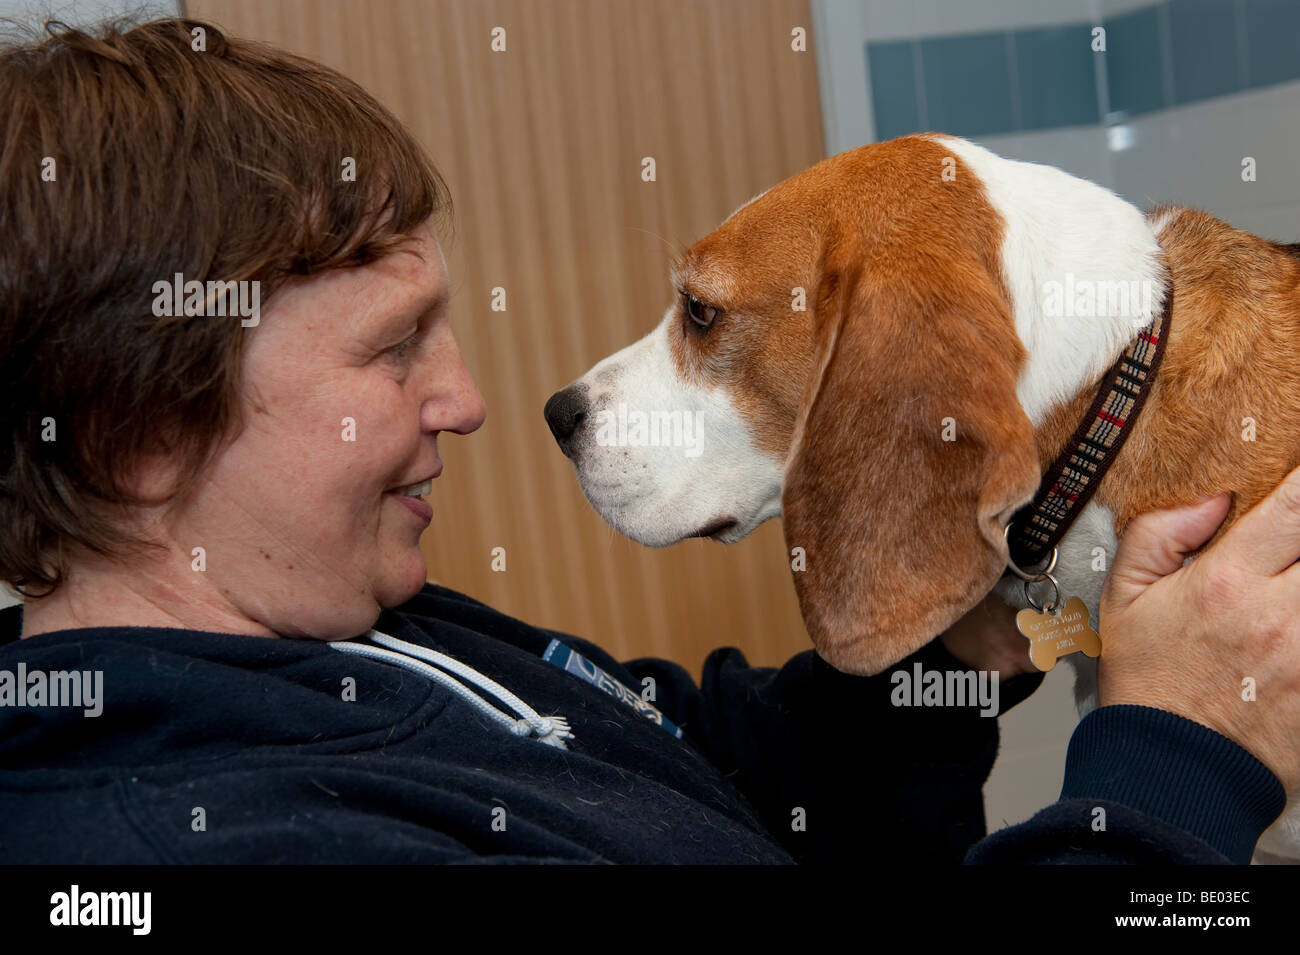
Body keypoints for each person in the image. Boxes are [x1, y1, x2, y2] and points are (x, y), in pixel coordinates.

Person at [1, 17, 1295, 865]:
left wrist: (950, 631)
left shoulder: (357, 640)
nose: (468, 399)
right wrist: (1173, 761)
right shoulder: (192, 844)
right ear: (138, 435)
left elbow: (718, 773)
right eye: (393, 350)